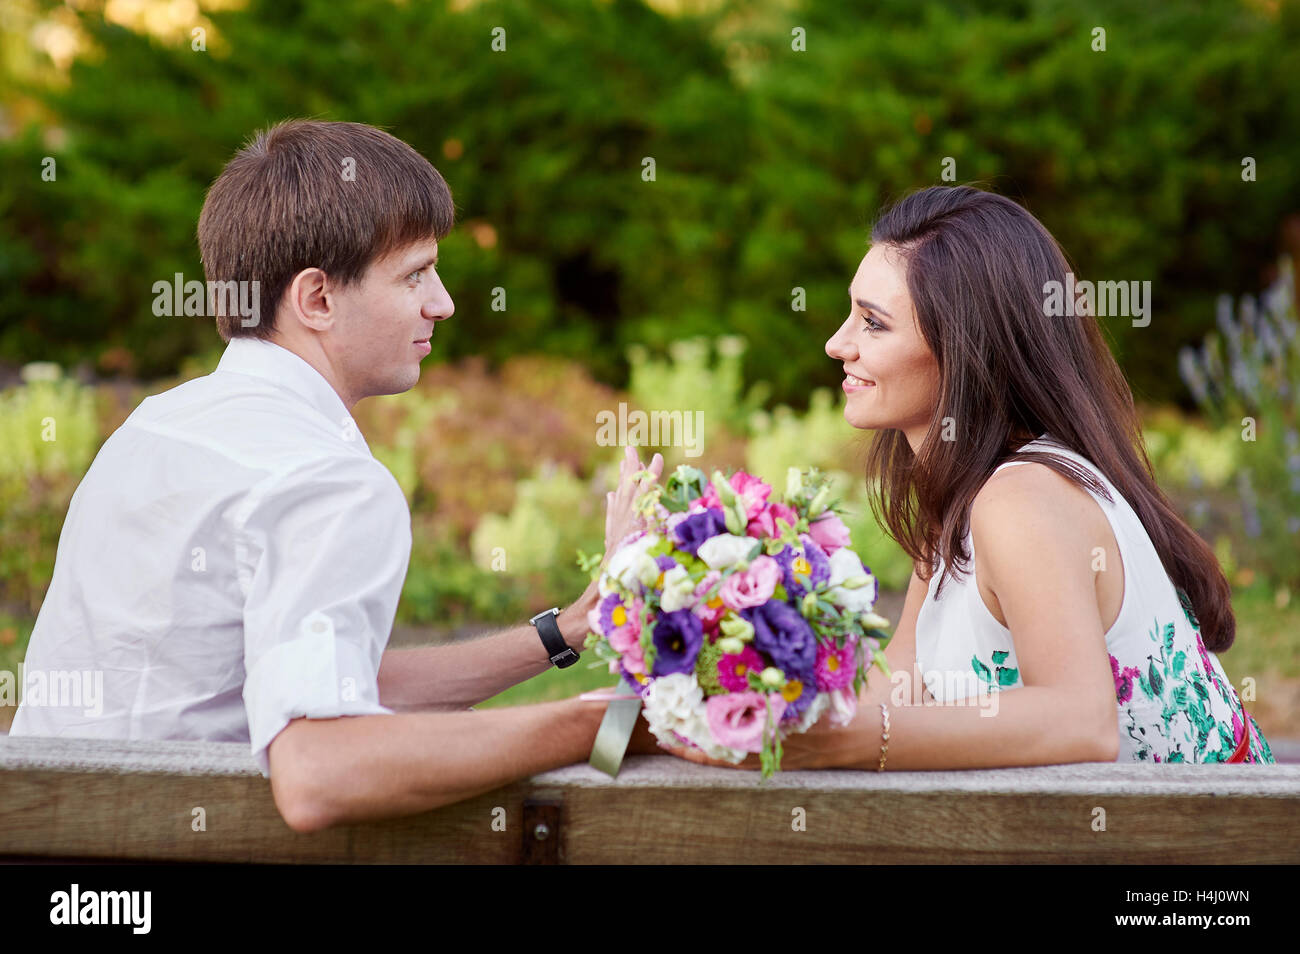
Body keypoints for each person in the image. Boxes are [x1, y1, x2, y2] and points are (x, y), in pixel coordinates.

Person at [9, 118, 663, 832]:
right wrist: (601, 726)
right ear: (316, 299)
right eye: (415, 274)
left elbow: (318, 682)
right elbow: (321, 773)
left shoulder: (157, 425)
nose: (441, 302)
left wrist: (570, 628)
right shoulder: (327, 479)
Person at [665, 184, 1274, 770]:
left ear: (963, 346)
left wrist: (834, 745)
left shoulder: (1021, 500)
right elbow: (895, 686)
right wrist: (720, 685)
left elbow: (1079, 720)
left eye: (873, 323)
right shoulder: (963, 497)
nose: (835, 343)